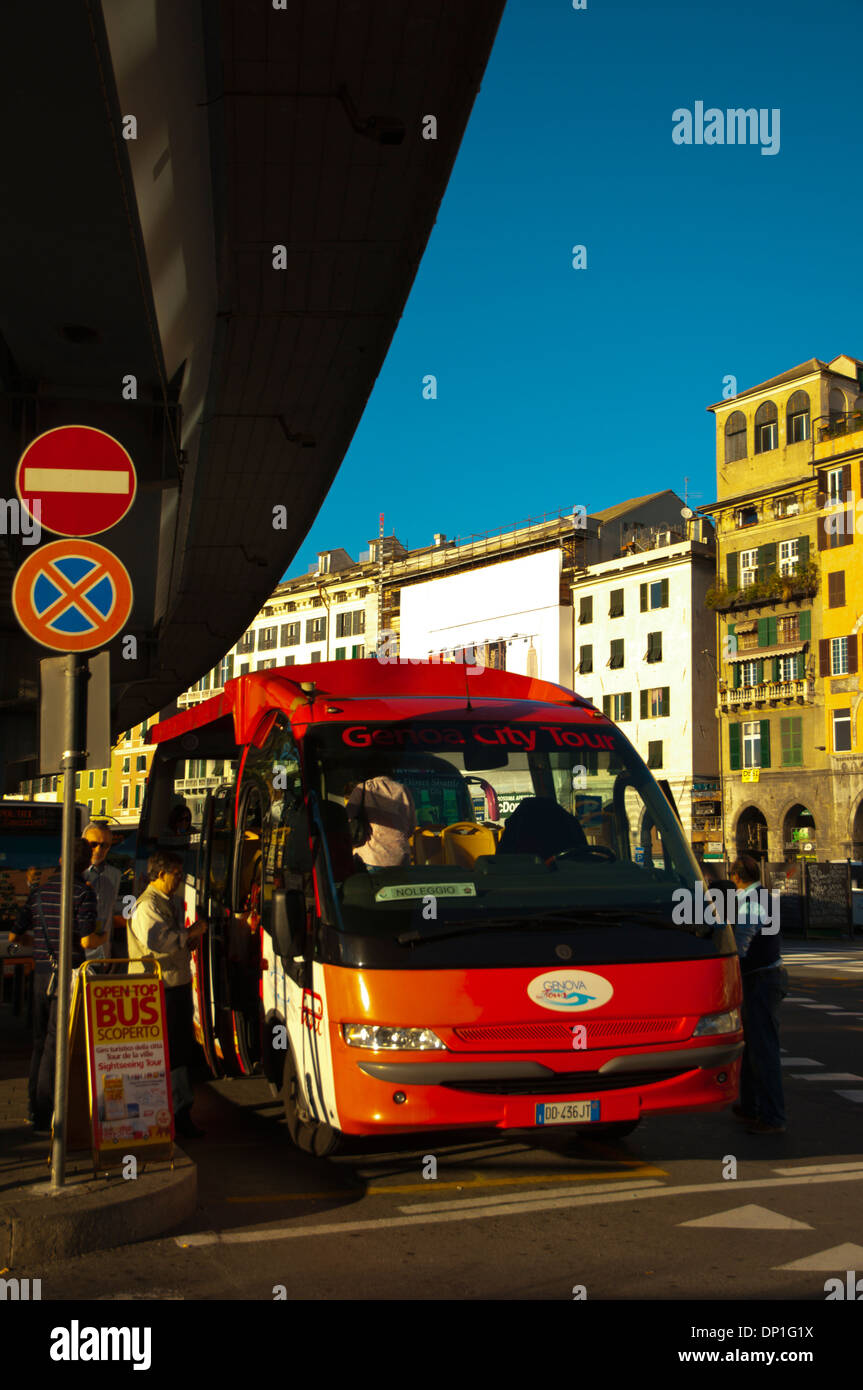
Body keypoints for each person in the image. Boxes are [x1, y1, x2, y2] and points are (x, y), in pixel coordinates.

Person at [10, 838, 104, 1132]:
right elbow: (88, 941)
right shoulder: (82, 894)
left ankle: (32, 1107)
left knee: (39, 1042)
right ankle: (44, 1113)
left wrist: (38, 945)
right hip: (67, 974)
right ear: (87, 864)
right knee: (55, 1043)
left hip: (40, 972)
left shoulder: (39, 892)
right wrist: (105, 937)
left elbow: (15, 937)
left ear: (62, 861)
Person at [127, 850, 208, 1138]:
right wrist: (190, 933)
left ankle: (179, 1111)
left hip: (176, 984)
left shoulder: (165, 903)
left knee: (180, 1049)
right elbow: (158, 942)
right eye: (176, 874)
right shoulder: (148, 905)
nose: (179, 879)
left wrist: (187, 942)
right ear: (160, 874)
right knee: (172, 1051)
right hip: (162, 988)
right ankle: (176, 1115)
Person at [729, 854, 788, 1135]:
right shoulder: (763, 896)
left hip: (760, 979)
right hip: (769, 974)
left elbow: (743, 943)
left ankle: (772, 1116)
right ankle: (752, 1106)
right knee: (754, 1045)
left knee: (763, 1049)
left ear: (737, 877)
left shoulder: (751, 903)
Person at [346, 775, 416, 868]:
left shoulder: (363, 788)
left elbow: (347, 820)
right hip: (401, 859)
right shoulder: (403, 789)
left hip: (371, 859)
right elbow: (411, 826)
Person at [82, 822, 123, 971]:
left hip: (103, 957)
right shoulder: (74, 873)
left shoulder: (115, 875)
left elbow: (118, 907)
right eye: (94, 844)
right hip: (78, 958)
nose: (99, 849)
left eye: (105, 845)